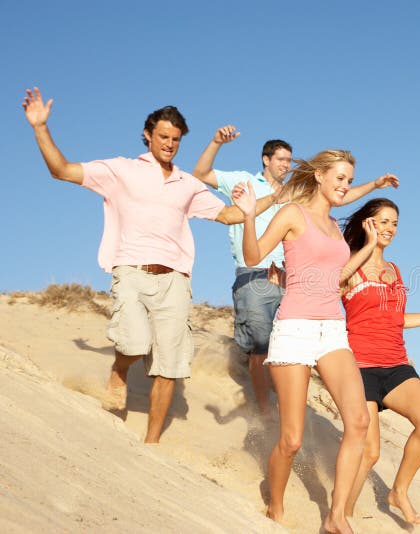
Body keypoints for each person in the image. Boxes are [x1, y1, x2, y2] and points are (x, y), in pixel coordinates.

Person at [21, 87, 281, 444]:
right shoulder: (121, 170)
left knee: (170, 365)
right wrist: (40, 127)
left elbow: (228, 214)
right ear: (147, 135)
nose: (169, 144)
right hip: (132, 270)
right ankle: (119, 370)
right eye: (163, 137)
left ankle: (152, 444)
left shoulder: (187, 184)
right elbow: (61, 170)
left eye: (175, 139)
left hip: (175, 279)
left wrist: (272, 198)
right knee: (134, 343)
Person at [231, 149, 391, 534]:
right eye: (340, 178)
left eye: (349, 180)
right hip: (295, 329)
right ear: (319, 176)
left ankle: (336, 516)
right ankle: (276, 506)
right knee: (291, 439)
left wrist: (367, 248)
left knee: (358, 420)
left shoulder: (335, 227)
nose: (345, 186)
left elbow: (336, 279)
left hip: (332, 330)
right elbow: (252, 255)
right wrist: (250, 215)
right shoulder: (293, 214)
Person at [193, 128, 397, 419]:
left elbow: (339, 196)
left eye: (289, 160)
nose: (286, 165)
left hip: (295, 281)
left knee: (283, 351)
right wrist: (217, 145)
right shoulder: (248, 183)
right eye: (281, 159)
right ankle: (263, 409)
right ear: (266, 160)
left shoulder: (300, 196)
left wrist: (374, 186)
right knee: (261, 343)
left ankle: (279, 404)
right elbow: (202, 174)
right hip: (258, 273)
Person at [340, 198, 420, 525]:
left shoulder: (394, 270)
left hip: (396, 363)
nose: (390, 229)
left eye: (394, 223)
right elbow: (324, 294)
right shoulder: (350, 267)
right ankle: (342, 517)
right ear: (368, 223)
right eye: (383, 221)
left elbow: (397, 320)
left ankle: (399, 491)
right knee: (370, 452)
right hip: (360, 366)